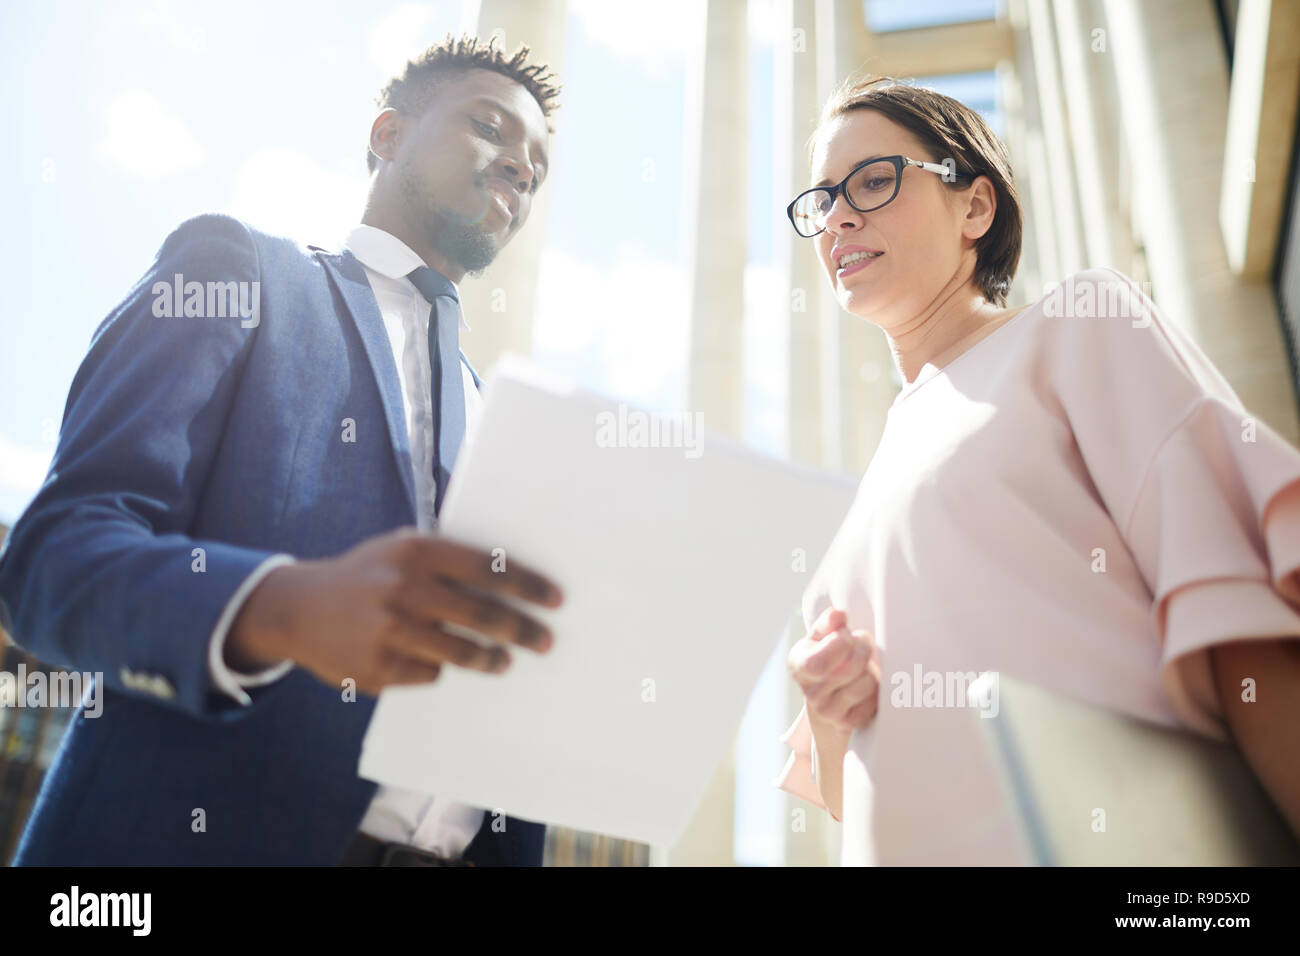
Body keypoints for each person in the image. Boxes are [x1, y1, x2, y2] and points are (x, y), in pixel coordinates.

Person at [0, 35, 565, 866]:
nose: (519, 168)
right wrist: (283, 609)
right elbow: (51, 562)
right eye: (490, 128)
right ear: (387, 135)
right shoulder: (238, 270)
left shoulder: (506, 422)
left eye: (537, 168)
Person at [776, 75, 1300, 847]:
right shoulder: (865, 491)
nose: (840, 215)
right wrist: (828, 707)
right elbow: (855, 790)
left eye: (876, 179)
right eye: (821, 201)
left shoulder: (1078, 326)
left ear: (975, 207)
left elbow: (1233, 621)